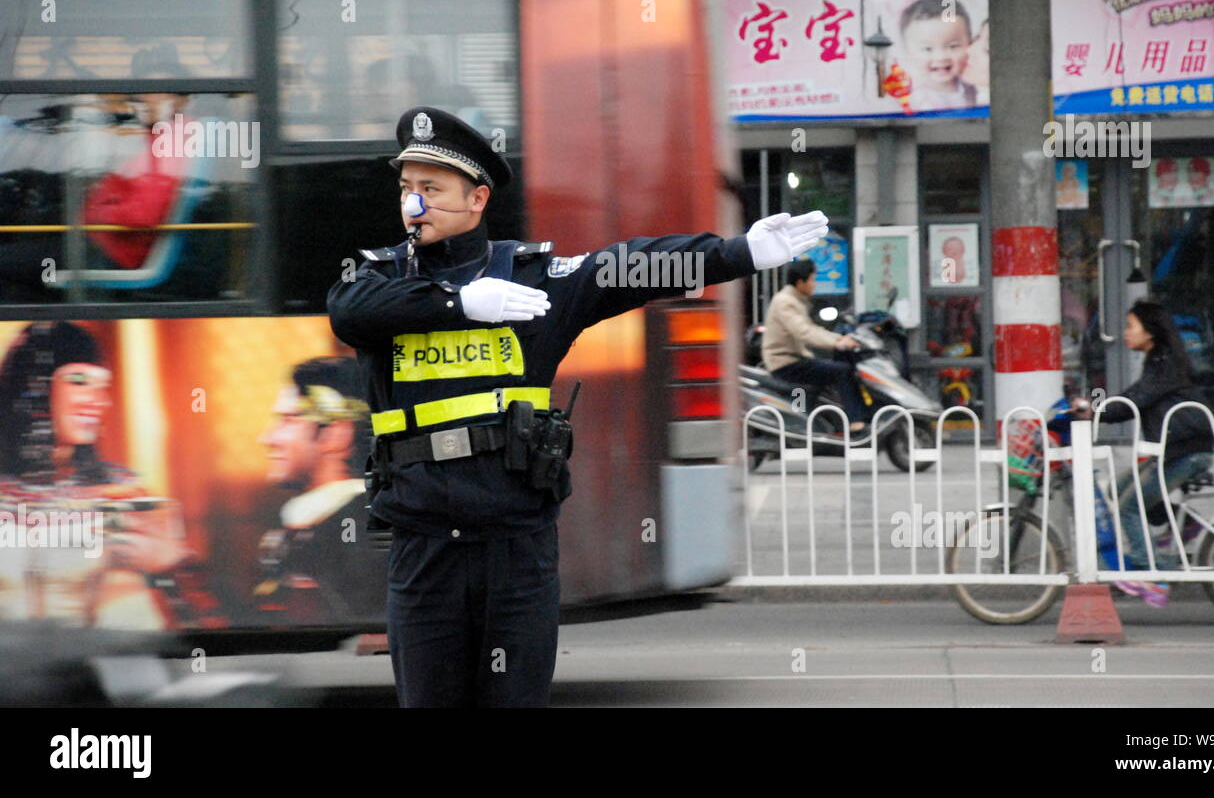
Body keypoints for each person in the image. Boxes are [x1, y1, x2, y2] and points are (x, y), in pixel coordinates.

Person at [327, 105, 827, 707]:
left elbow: (630, 268)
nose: (413, 204)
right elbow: (349, 313)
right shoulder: (377, 279)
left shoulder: (534, 280)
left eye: (430, 189)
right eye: (407, 188)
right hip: (424, 552)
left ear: (477, 198)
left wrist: (736, 253)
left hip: (517, 553)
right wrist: (457, 303)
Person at [0, 321, 188, 628]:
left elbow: (145, 619)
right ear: (32, 386)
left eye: (103, 385)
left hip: (95, 663)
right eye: (79, 380)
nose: (100, 400)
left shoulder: (120, 490)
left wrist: (162, 568)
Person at [1070, 300, 1214, 608]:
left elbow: (1135, 400)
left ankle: (1153, 575)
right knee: (1119, 487)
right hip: (1173, 450)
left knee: (1129, 506)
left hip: (1186, 452)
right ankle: (1183, 522)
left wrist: (1093, 410)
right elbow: (1135, 399)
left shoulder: (1166, 363)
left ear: (1150, 331)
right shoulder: (1159, 360)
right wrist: (1097, 411)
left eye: (1130, 326)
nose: (1125, 333)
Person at [254, 356, 388, 625]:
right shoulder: (305, 526)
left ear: (334, 435)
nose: (267, 439)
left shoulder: (361, 536)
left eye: (288, 420)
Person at [760, 259, 868, 436]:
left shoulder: (794, 300)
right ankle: (856, 422)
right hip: (786, 363)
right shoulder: (786, 302)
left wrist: (840, 338)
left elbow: (812, 329)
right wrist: (837, 342)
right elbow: (804, 331)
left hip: (794, 359)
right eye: (812, 280)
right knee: (841, 371)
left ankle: (819, 423)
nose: (814, 284)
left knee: (833, 369)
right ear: (800, 282)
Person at [897, 0, 977, 111]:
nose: (941, 57)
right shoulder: (911, 97)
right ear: (907, 51)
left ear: (970, 43)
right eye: (927, 49)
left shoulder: (973, 86)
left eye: (953, 46)